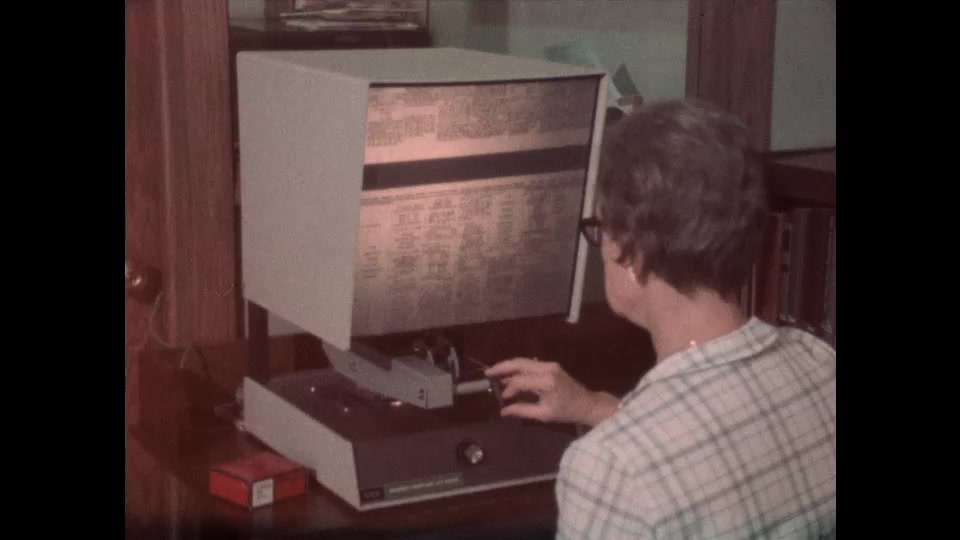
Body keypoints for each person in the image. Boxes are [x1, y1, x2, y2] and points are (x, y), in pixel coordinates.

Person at [486, 99, 836, 539]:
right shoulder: (819, 364)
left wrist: (618, 435)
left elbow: (652, 467)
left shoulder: (610, 468)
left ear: (635, 255)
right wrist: (594, 407)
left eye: (602, 230)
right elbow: (716, 446)